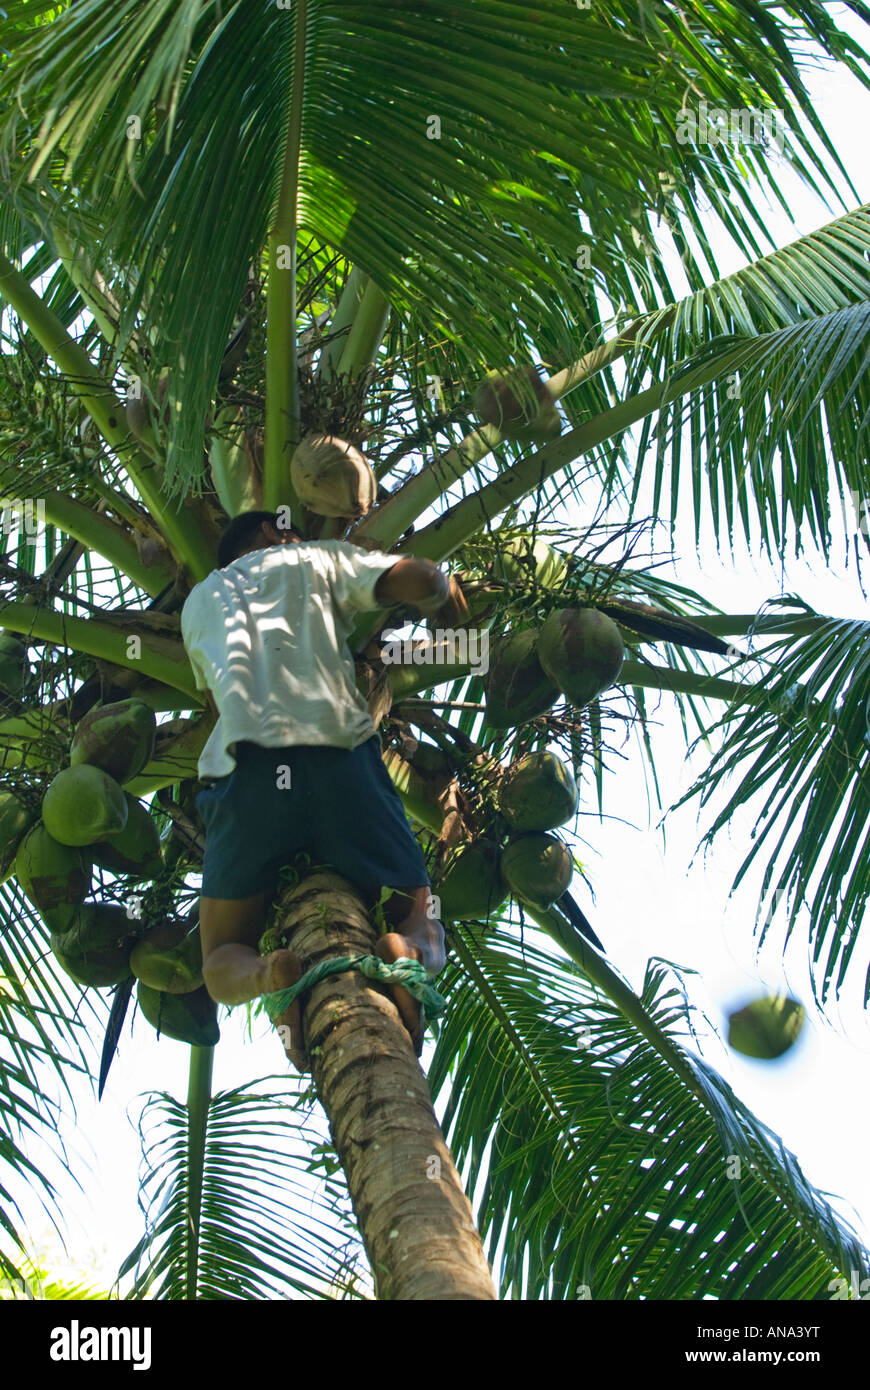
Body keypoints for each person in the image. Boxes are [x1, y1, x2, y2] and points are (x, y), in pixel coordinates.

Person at [180, 510, 466, 1070]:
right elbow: (419, 578)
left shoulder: (197, 604)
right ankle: (405, 952)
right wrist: (446, 601)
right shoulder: (310, 557)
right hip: (342, 761)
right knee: (419, 910)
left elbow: (218, 692)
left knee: (219, 958)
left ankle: (268, 973)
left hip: (245, 772)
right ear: (272, 533)